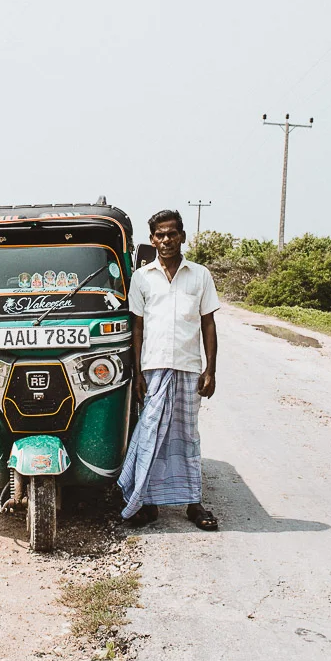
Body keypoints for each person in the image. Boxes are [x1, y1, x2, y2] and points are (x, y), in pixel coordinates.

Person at [117, 209, 220, 530]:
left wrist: (210, 370)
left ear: (182, 236)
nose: (166, 240)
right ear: (152, 240)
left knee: (187, 437)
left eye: (172, 234)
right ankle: (146, 502)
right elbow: (137, 327)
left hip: (189, 368)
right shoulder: (142, 277)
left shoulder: (200, 275)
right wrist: (136, 375)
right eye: (160, 235)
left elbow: (208, 323)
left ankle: (193, 502)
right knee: (150, 434)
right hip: (152, 369)